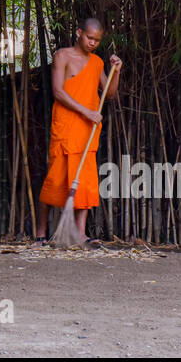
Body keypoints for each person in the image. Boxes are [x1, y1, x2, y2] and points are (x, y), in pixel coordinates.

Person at [35, 18, 121, 244]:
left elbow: (109, 93)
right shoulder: (62, 56)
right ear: (79, 33)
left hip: (87, 130)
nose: (93, 43)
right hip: (66, 126)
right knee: (55, 181)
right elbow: (58, 92)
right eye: (89, 37)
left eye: (97, 40)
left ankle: (80, 235)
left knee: (84, 183)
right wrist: (86, 112)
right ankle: (41, 234)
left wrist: (116, 71)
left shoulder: (96, 62)